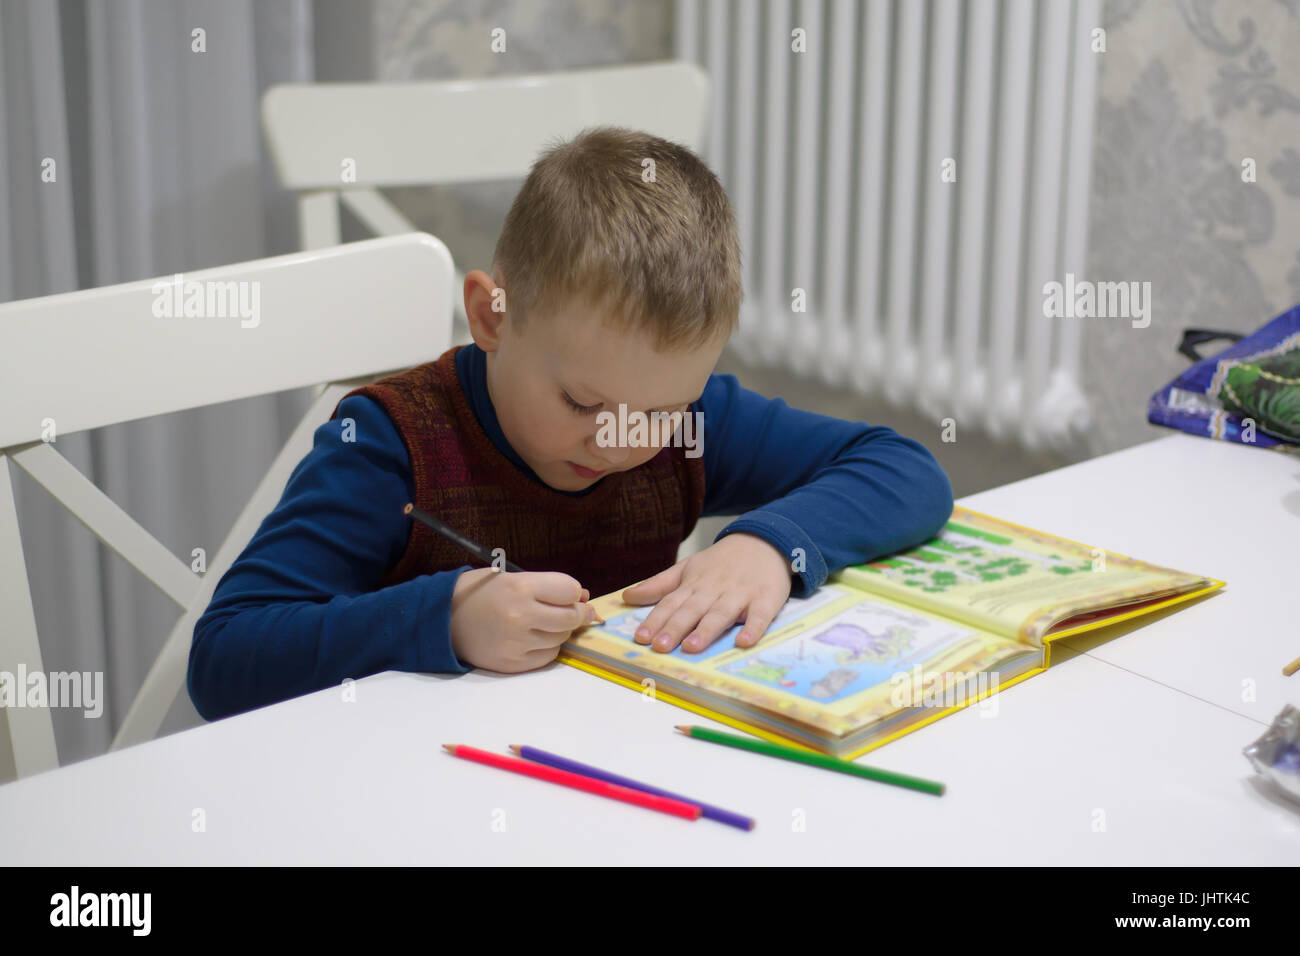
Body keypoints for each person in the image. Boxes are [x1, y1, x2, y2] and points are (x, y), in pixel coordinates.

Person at [188, 126, 953, 721]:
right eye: (584, 406)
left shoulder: (687, 426)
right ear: (493, 315)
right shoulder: (392, 447)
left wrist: (766, 544)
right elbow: (225, 660)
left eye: (659, 412)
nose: (620, 440)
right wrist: (444, 621)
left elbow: (905, 468)